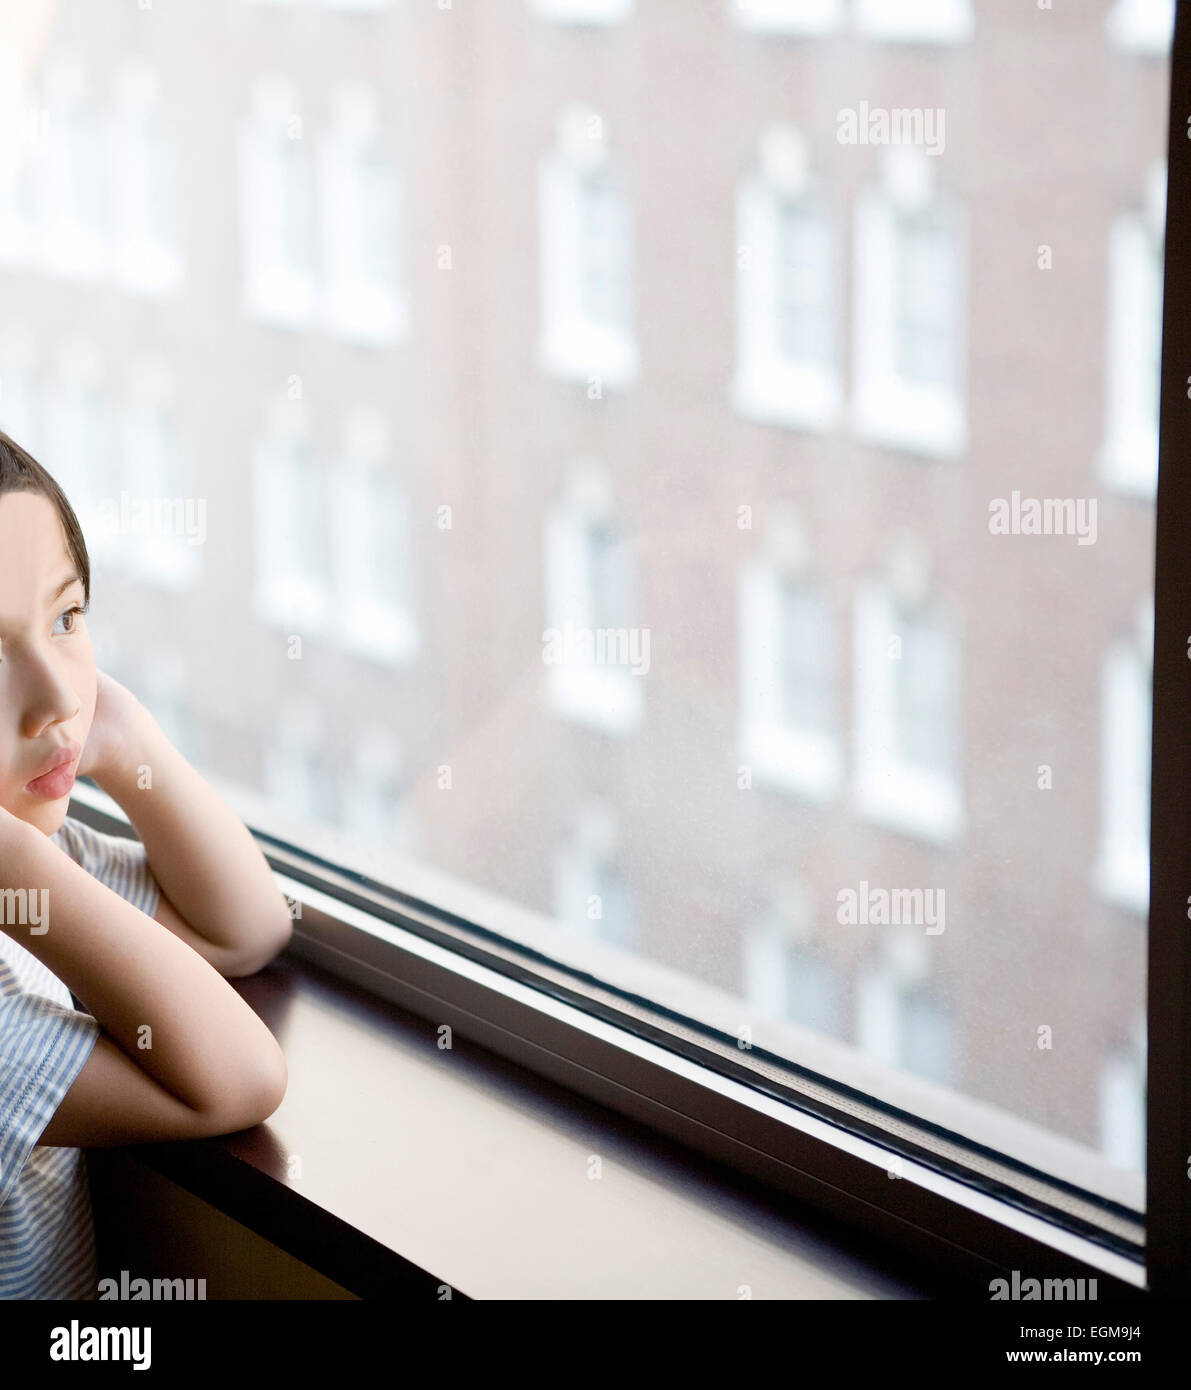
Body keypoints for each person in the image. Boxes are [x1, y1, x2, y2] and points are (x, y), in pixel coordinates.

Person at [0, 430, 292, 1299]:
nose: (57, 696)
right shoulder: (21, 869)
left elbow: (242, 927)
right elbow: (238, 1080)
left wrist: (125, 740)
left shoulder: (32, 861)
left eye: (67, 617)